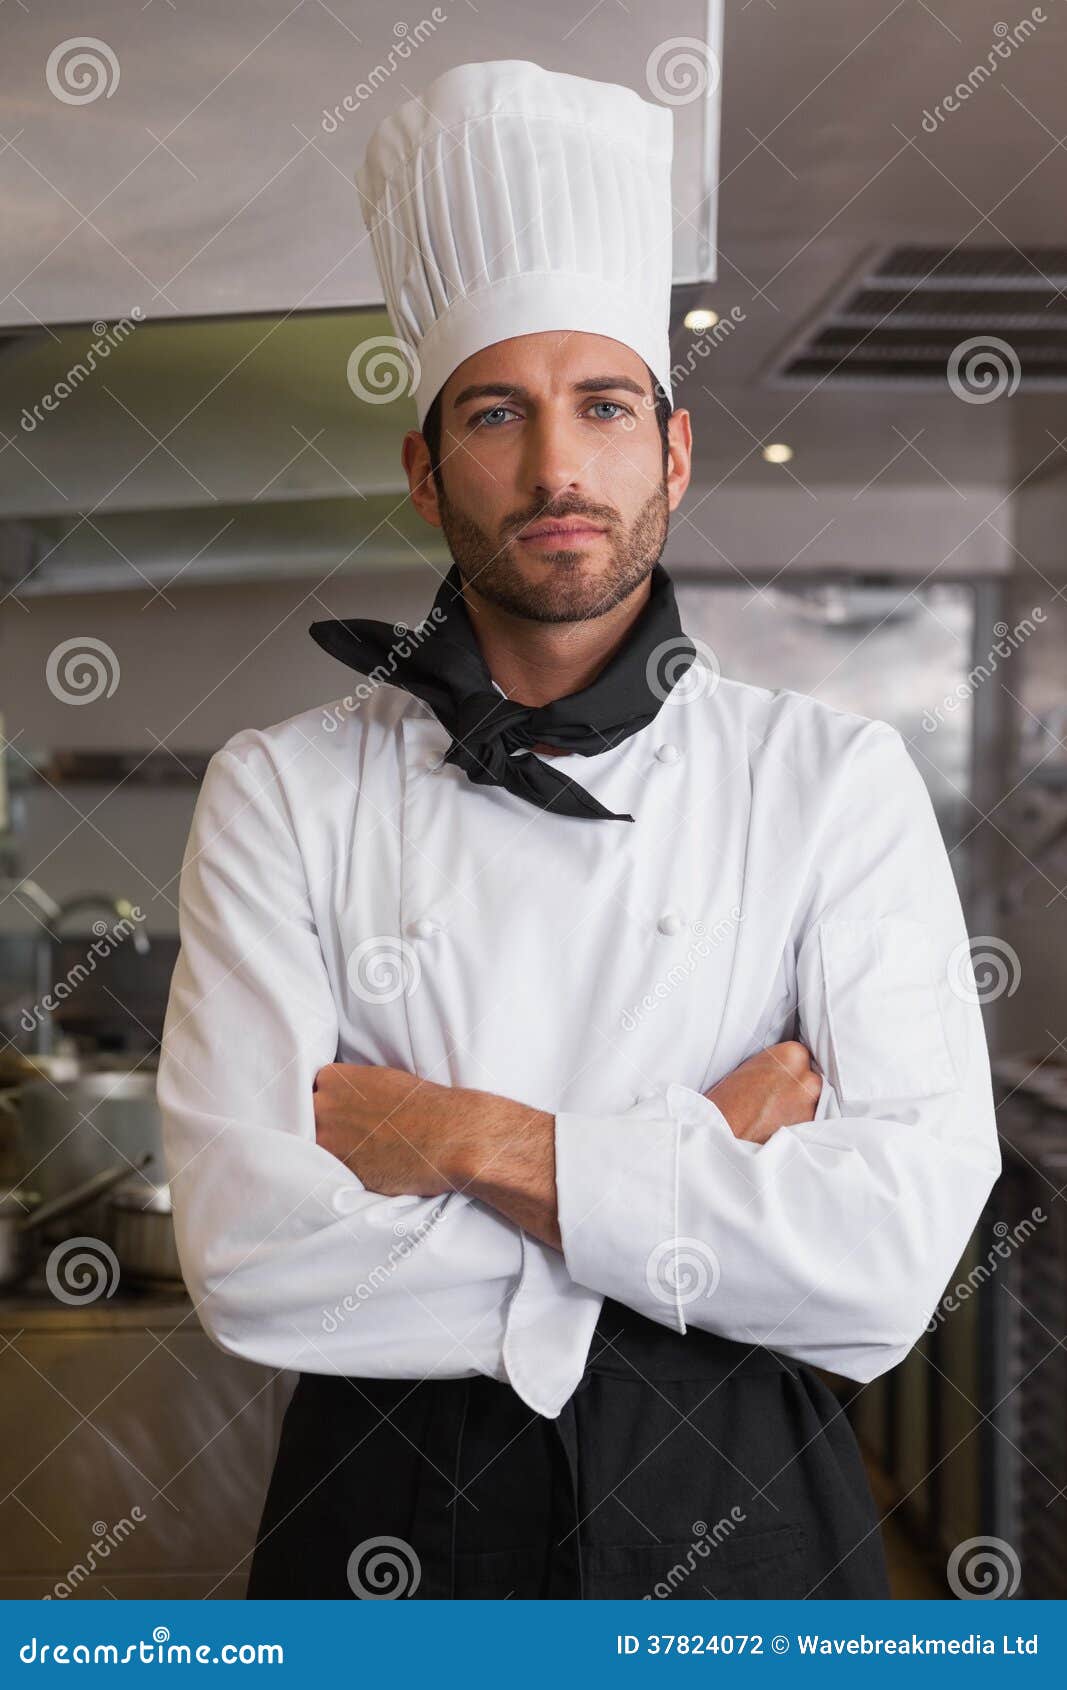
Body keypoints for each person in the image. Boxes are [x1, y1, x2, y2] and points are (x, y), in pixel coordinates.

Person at [157, 59, 1001, 1601]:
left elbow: (886, 1268)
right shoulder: (280, 790)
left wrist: (462, 1140)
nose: (557, 467)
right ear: (425, 469)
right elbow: (256, 1261)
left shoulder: (832, 779)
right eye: (498, 413)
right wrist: (700, 1159)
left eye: (605, 406)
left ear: (671, 456)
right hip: (387, 1520)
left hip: (748, 1513)